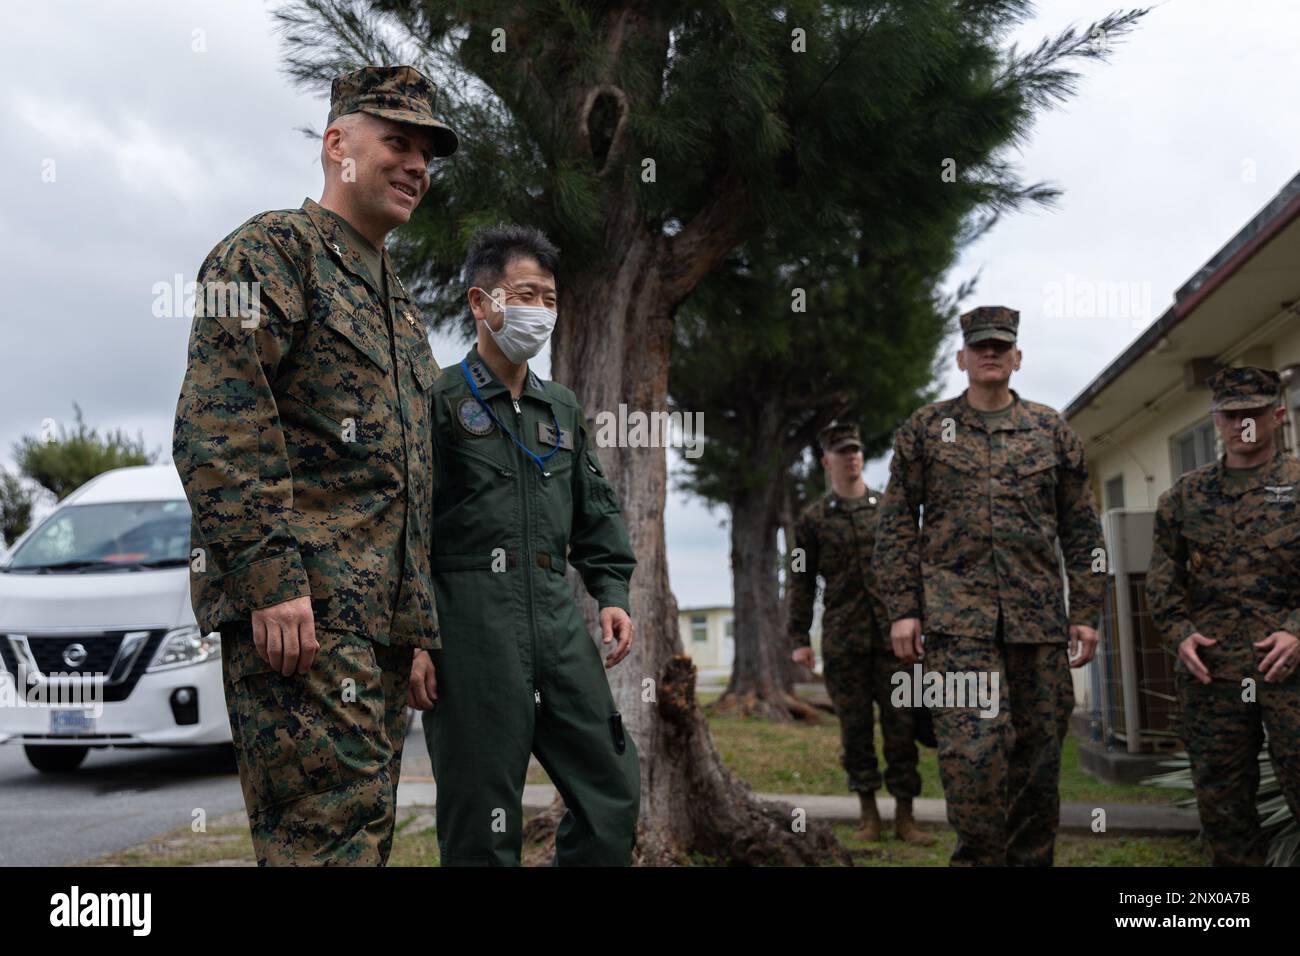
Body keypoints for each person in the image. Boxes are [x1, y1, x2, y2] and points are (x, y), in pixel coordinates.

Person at [172, 65, 457, 865]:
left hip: (379, 632)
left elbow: (406, 472)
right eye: (397, 142)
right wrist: (273, 580)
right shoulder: (268, 252)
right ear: (339, 145)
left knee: (358, 844)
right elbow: (218, 426)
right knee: (321, 850)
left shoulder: (397, 298)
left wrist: (418, 627)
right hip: (304, 619)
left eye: (427, 153)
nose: (416, 166)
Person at [410, 224, 640, 865]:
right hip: (470, 626)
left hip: (558, 622)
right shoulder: (436, 400)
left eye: (550, 297)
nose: (541, 309)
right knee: (481, 822)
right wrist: (416, 640)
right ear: (481, 304)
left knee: (611, 795)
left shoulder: (559, 407)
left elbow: (594, 508)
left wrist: (610, 590)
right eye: (526, 293)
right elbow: (407, 530)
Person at [872, 305, 1104, 866]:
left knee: (1038, 764)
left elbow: (1082, 531)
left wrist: (1088, 612)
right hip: (957, 632)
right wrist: (903, 609)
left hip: (1038, 629)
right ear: (962, 358)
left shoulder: (1050, 430)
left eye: (1001, 345)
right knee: (970, 761)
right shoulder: (928, 430)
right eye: (981, 346)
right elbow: (898, 524)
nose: (991, 353)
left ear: (1018, 357)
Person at [1145, 365, 1300, 866]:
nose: (1242, 425)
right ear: (1216, 419)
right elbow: (1164, 581)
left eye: (1253, 413)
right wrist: (1180, 635)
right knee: (1224, 812)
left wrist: (1298, 632)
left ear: (1276, 415)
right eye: (1232, 416)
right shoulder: (1185, 499)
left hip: (1291, 674)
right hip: (1214, 678)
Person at [787, 421, 930, 844]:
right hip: (844, 640)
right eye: (842, 451)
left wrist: (923, 622)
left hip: (895, 641)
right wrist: (798, 637)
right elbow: (801, 578)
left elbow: (913, 566)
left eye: (856, 450)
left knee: (902, 728)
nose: (851, 457)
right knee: (855, 730)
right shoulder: (812, 519)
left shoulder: (889, 508)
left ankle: (906, 817)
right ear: (827, 460)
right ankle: (869, 816)